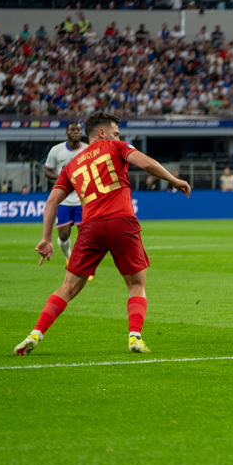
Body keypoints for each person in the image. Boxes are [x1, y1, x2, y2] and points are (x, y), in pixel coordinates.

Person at [14, 112, 192, 356]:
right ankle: (135, 338)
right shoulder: (116, 146)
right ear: (101, 133)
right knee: (136, 284)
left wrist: (46, 239)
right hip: (121, 222)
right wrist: (173, 180)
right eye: (116, 132)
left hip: (90, 227)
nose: (118, 136)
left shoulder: (71, 165)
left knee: (68, 287)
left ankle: (35, 333)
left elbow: (52, 201)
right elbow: (147, 164)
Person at [44, 121, 87, 267]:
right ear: (66, 133)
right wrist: (63, 178)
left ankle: (80, 264)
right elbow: (47, 171)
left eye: (78, 130)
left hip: (83, 199)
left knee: (85, 234)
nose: (76, 132)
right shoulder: (57, 150)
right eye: (73, 129)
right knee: (63, 235)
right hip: (63, 199)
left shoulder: (88, 149)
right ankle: (68, 256)